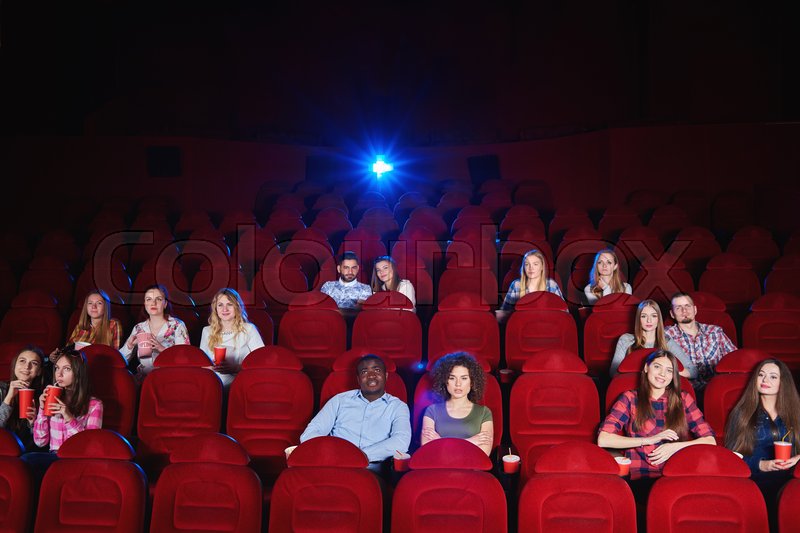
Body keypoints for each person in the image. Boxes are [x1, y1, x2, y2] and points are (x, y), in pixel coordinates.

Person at [299, 354, 411, 468]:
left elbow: (401, 441)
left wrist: (359, 456)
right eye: (364, 372)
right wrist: (333, 452)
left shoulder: (398, 406)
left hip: (373, 468)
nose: (371, 375)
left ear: (386, 376)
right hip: (335, 464)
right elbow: (309, 435)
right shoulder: (339, 400)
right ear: (358, 379)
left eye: (377, 370)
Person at [725, 359, 800, 526]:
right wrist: (761, 465)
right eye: (761, 375)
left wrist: (797, 459)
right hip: (754, 484)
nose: (765, 380)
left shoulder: (795, 413)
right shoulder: (742, 413)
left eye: (773, 377)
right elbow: (732, 457)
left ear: (783, 383)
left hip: (789, 484)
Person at [421, 352, 493, 456]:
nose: (458, 384)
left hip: (472, 465)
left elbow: (484, 453)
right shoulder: (432, 410)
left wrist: (440, 441)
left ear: (472, 382)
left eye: (464, 378)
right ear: (445, 381)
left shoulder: (484, 412)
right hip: (438, 464)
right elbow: (427, 449)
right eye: (452, 378)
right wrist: (471, 441)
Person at [32, 349, 103, 452]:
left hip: (76, 457)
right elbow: (40, 442)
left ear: (79, 373)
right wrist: (42, 410)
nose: (59, 374)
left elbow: (90, 444)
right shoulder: (52, 398)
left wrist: (69, 418)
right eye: (57, 368)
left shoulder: (94, 405)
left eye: (67, 369)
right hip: (54, 455)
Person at [610, 299, 697, 379]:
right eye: (644, 316)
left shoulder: (667, 342)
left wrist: (666, 371)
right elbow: (614, 373)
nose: (649, 320)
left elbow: (693, 372)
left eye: (654, 316)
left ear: (658, 319)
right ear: (638, 319)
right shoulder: (626, 340)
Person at [666, 292, 737, 390]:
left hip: (717, 388)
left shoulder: (715, 332)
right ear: (672, 314)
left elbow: (735, 359)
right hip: (684, 391)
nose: (684, 310)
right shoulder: (667, 335)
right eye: (678, 308)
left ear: (695, 310)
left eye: (687, 306)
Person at [120, 284, 191, 381]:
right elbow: (120, 361)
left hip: (169, 378)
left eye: (158, 299)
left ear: (165, 304)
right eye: (149, 299)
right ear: (145, 304)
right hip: (144, 379)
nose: (153, 303)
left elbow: (185, 359)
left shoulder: (177, 325)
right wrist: (129, 346)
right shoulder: (139, 328)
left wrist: (162, 349)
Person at [199, 288, 265, 388]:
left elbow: (260, 361)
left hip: (241, 382)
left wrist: (236, 368)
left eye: (229, 304)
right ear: (215, 308)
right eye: (220, 305)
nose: (224, 309)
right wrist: (212, 368)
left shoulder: (249, 329)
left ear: (237, 307)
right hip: (213, 383)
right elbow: (203, 365)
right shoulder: (207, 331)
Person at [1, 346, 48, 451]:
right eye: (22, 361)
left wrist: (33, 423)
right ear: (14, 365)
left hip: (27, 453)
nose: (27, 367)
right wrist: (9, 397)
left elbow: (41, 443)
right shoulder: (1, 389)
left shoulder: (43, 396)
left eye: (34, 363)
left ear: (39, 371)